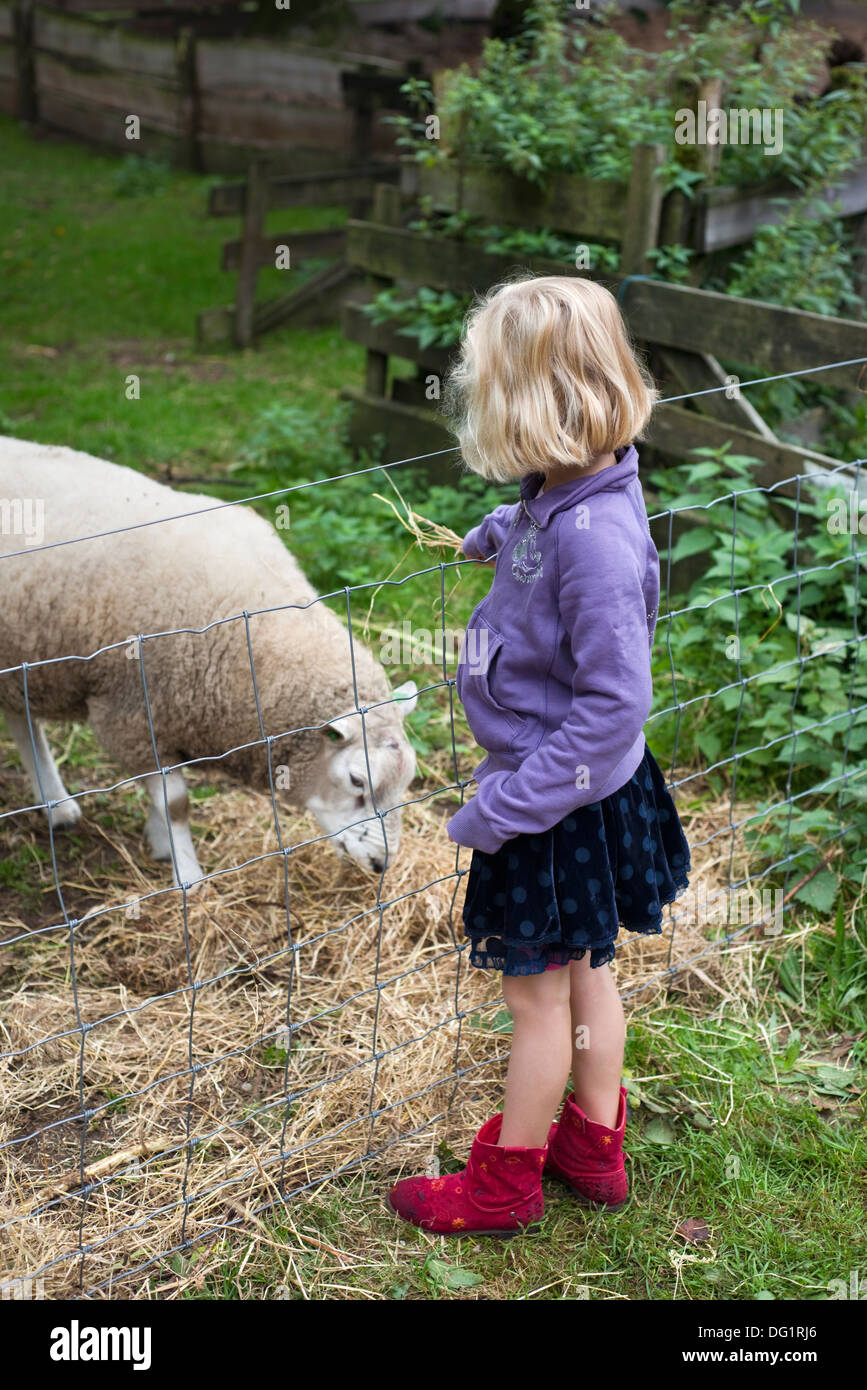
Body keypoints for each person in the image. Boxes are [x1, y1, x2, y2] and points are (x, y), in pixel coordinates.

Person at [386, 274, 691, 1237]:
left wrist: (504, 809)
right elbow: (541, 536)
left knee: (535, 1002)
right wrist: (498, 532)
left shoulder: (593, 538)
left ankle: (502, 1184)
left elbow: (610, 709)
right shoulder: (571, 492)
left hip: (556, 796)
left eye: (487, 388)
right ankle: (593, 1151)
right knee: (586, 973)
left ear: (530, 403)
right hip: (573, 791)